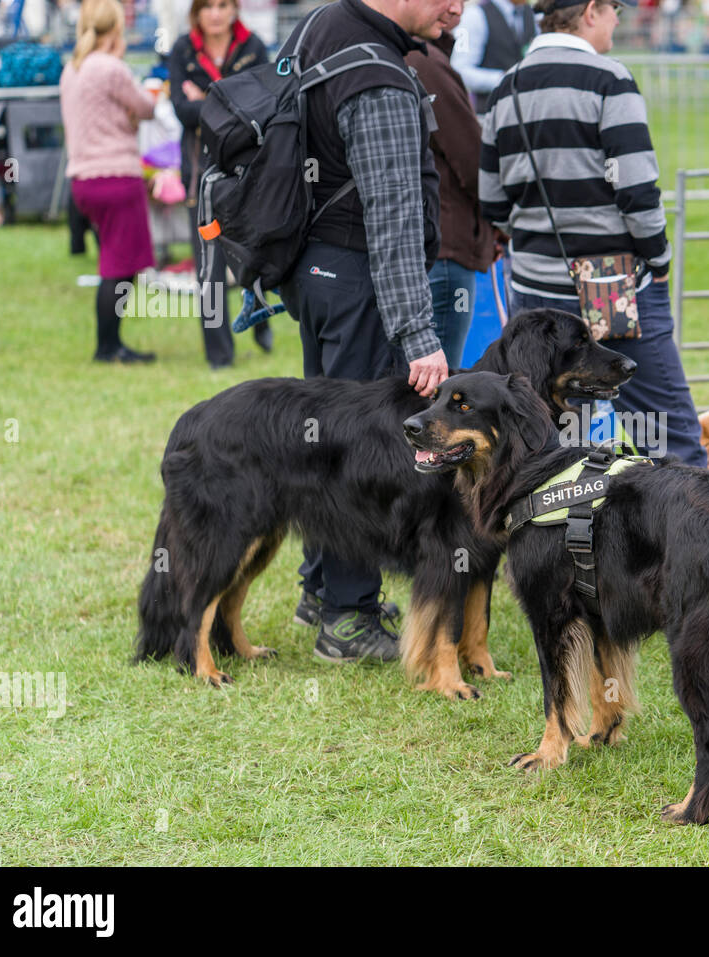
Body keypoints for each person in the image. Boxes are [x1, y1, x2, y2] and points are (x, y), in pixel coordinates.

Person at [278, 0, 455, 663]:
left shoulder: (320, 25)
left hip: (316, 270)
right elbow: (392, 216)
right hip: (357, 280)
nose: (457, 9)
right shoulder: (376, 73)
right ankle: (348, 620)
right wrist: (418, 333)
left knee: (323, 437)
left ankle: (322, 587)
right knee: (359, 450)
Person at [479, 0, 708, 467]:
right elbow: (637, 189)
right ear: (589, 11)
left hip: (535, 289)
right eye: (613, 8)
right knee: (663, 429)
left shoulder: (507, 86)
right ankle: (685, 512)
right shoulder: (610, 79)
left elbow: (492, 197)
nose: (618, 19)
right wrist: (659, 257)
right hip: (612, 283)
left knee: (554, 434)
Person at [168, 0, 272, 368]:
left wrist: (207, 100)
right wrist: (231, 102)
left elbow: (264, 107)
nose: (215, 13)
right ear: (196, 12)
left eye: (223, 4)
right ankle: (219, 355)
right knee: (209, 270)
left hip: (248, 172)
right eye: (207, 6)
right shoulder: (182, 49)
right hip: (200, 175)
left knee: (258, 256)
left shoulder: (253, 47)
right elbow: (181, 110)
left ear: (234, 9)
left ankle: (261, 320)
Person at [60, 0, 158, 364]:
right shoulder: (111, 67)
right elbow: (146, 107)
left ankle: (110, 343)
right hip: (116, 176)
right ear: (117, 27)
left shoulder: (72, 68)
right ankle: (108, 346)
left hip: (83, 179)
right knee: (118, 267)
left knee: (112, 261)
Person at [406, 4, 497, 366]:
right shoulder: (425, 61)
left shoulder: (419, 56)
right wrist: (498, 220)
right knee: (438, 384)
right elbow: (474, 162)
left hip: (430, 242)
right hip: (444, 246)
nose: (456, 9)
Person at [451, 0, 537, 112]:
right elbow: (460, 71)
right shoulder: (474, 15)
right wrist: (505, 78)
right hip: (489, 112)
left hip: (527, 110)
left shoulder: (532, 13)